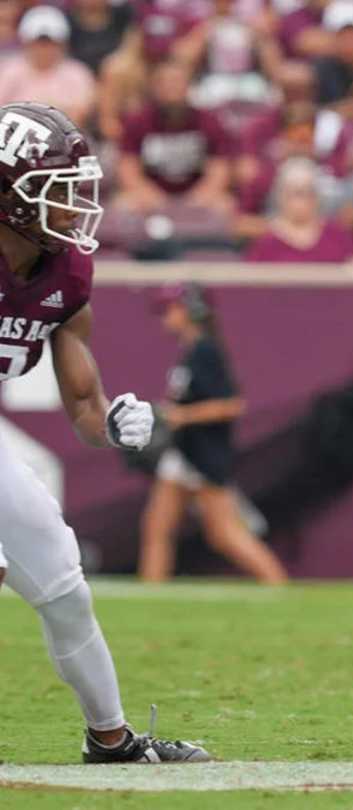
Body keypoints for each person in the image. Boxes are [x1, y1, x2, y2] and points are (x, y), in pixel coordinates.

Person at [0, 102, 208, 763]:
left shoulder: (66, 275)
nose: (73, 207)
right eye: (55, 192)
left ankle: (111, 739)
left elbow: (84, 406)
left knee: (62, 583)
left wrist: (114, 420)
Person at [139, 284, 289, 586]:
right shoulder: (192, 351)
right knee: (157, 527)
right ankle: (150, 594)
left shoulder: (206, 350)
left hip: (204, 454)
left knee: (223, 533)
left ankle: (278, 583)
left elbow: (231, 405)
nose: (166, 317)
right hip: (184, 452)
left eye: (172, 309)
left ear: (193, 311)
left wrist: (181, 416)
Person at [115, 59, 234, 215]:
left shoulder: (209, 121)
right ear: (154, 87)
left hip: (197, 194)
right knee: (123, 205)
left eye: (177, 81)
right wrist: (150, 196)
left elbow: (220, 168)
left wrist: (201, 196)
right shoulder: (138, 121)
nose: (171, 87)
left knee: (225, 205)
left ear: (189, 86)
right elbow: (128, 169)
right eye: (164, 82)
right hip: (151, 195)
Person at [246, 157, 353, 264]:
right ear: (281, 196)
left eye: (309, 192)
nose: (303, 201)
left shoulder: (338, 235)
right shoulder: (267, 244)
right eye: (296, 193)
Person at [0, 7, 97, 127]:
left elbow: (80, 115)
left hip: (65, 139)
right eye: (39, 43)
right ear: (26, 43)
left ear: (63, 44)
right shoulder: (9, 71)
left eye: (50, 43)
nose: (44, 50)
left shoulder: (77, 73)